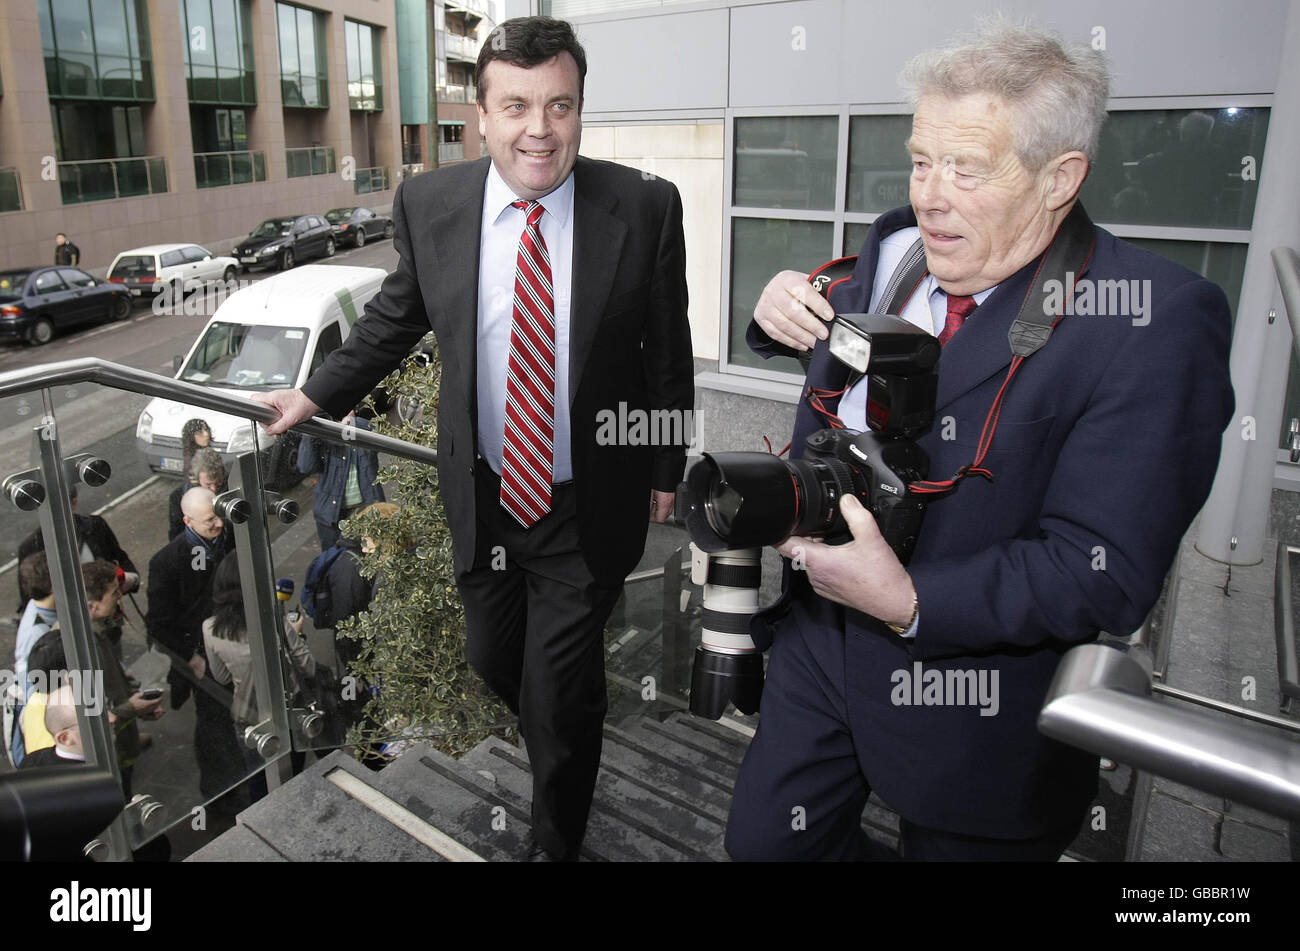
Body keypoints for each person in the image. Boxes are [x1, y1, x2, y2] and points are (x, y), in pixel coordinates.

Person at [724, 21, 1235, 862]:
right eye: (923, 160)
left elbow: (1101, 569)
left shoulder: (1154, 320)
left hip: (983, 714)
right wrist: (778, 305)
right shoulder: (894, 251)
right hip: (821, 648)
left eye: (967, 168)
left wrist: (911, 601)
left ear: (1059, 178)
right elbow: (829, 375)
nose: (930, 194)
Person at [254, 15, 694, 861]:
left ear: (578, 110)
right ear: (482, 117)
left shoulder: (642, 207)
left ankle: (554, 836)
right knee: (499, 662)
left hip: (584, 500)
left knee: (558, 694)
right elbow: (390, 322)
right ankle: (567, 726)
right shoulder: (431, 205)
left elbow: (665, 349)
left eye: (560, 106)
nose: (540, 129)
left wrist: (666, 459)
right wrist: (312, 394)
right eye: (518, 106)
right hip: (487, 495)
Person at [146, 486, 243, 801]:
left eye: (218, 516)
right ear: (187, 521)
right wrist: (191, 657)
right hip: (203, 658)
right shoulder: (166, 563)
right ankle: (222, 794)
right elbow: (159, 624)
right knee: (214, 722)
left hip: (236, 642)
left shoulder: (231, 537)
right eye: (208, 521)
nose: (217, 524)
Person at [204, 555, 316, 801]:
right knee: (292, 774)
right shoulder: (273, 619)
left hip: (248, 718)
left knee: (257, 777)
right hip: (289, 711)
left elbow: (220, 675)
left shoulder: (210, 629)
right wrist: (297, 635)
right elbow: (307, 667)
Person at [83, 560, 163, 798]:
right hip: (113, 754)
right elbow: (91, 720)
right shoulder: (86, 650)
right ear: (91, 606)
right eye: (113, 593)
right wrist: (133, 707)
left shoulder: (96, 633)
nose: (120, 595)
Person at [15, 485, 137, 612]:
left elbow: (120, 558)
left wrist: (131, 579)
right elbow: (29, 598)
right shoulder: (30, 547)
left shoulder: (95, 526)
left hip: (106, 618)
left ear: (74, 503)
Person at [297, 410, 385, 549]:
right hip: (330, 514)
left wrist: (352, 423)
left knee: (366, 558)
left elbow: (379, 433)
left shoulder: (364, 430)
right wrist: (310, 432)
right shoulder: (324, 433)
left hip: (366, 510)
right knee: (332, 560)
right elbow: (305, 466)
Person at [167, 447, 227, 540]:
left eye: (218, 482)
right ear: (196, 479)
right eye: (208, 484)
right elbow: (176, 535)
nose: (214, 489)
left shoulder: (232, 485)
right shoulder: (178, 498)